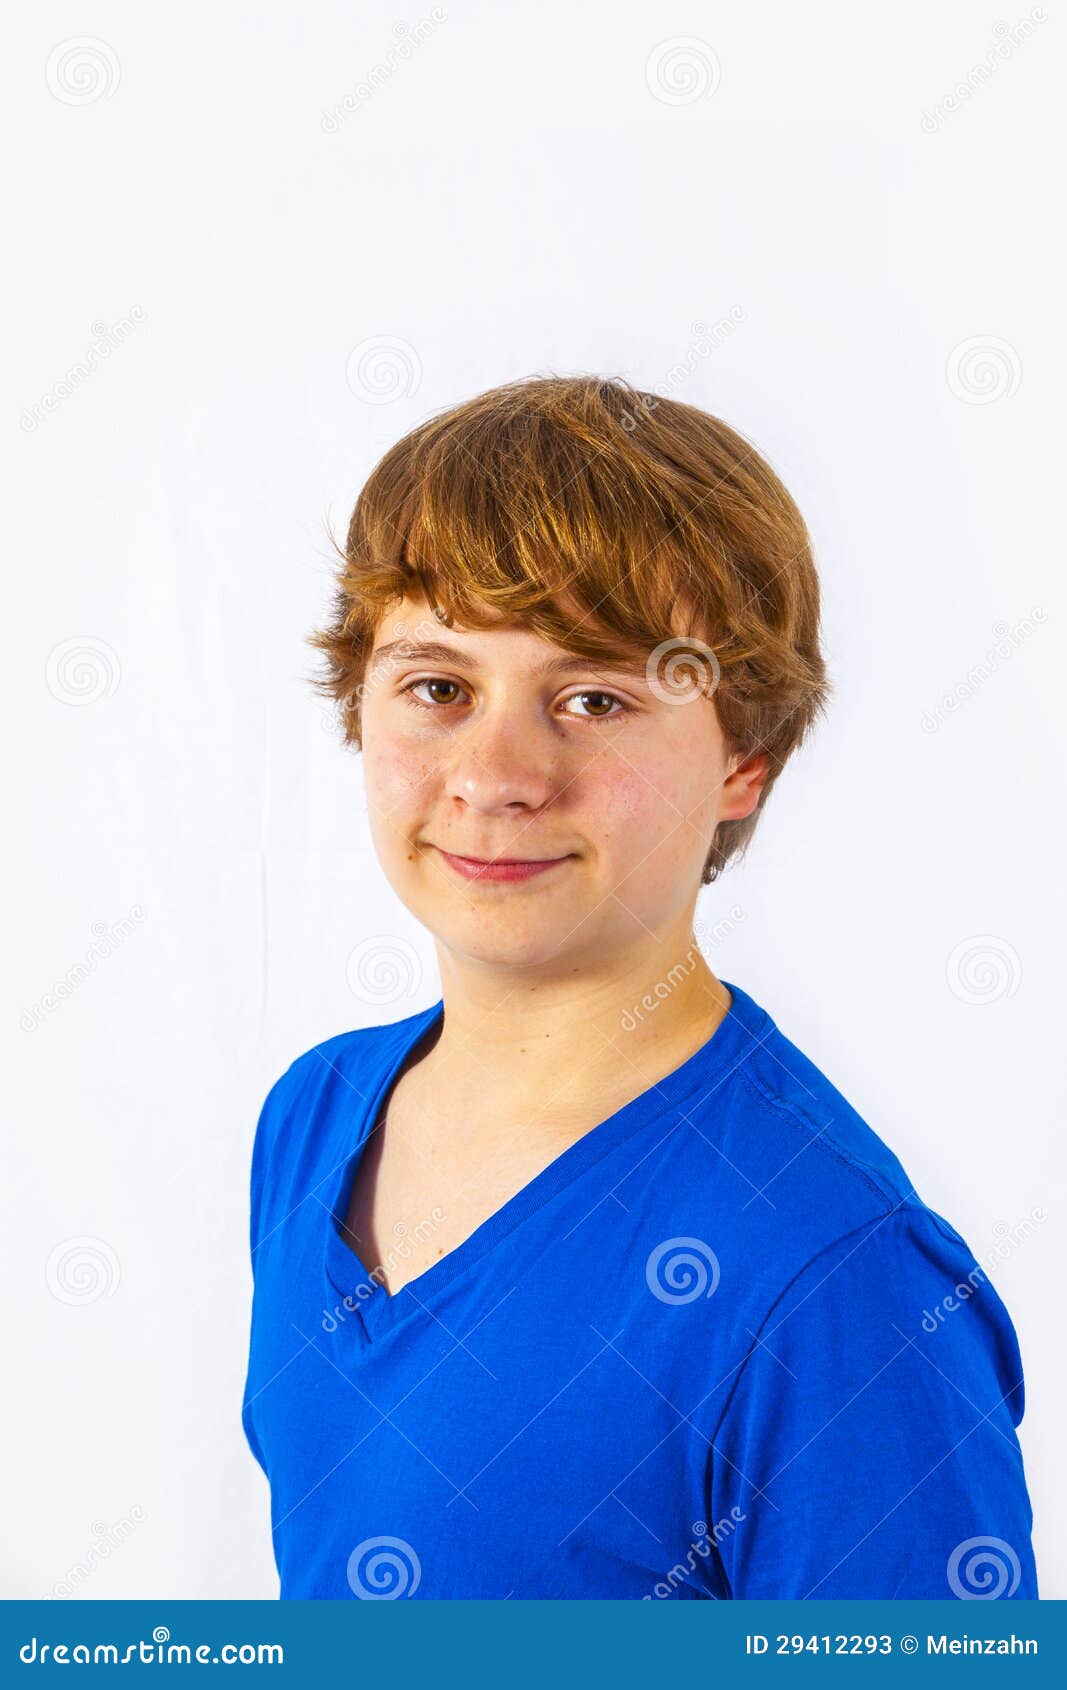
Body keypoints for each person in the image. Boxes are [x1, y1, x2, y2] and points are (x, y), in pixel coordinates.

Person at [241, 374, 1037, 1600]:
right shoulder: (316, 1117)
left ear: (744, 762)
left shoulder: (833, 1288)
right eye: (439, 687)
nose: (495, 774)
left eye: (594, 698)